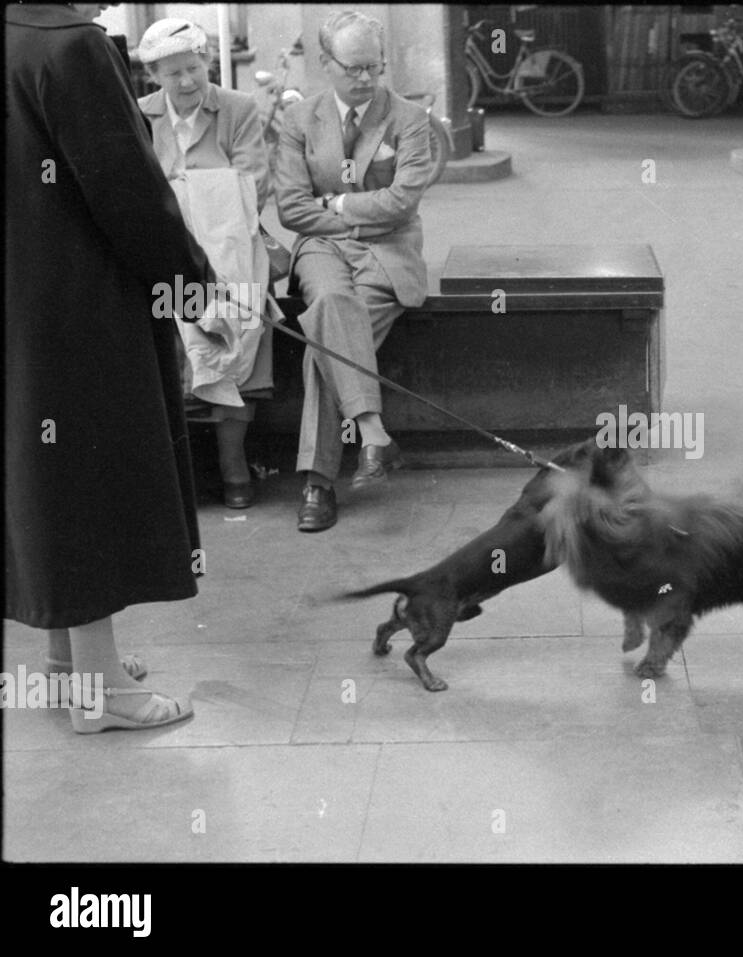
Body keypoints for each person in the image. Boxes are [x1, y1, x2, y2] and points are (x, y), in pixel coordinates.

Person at [5, 3, 216, 731]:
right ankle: (104, 696)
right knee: (90, 484)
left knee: (48, 478)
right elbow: (128, 189)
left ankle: (72, 664)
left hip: (20, 303)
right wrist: (194, 282)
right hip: (80, 305)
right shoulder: (72, 49)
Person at [274, 9, 435, 532]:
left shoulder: (410, 119)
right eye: (354, 68)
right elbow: (291, 209)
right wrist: (353, 215)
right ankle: (373, 432)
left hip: (388, 254)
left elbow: (403, 201)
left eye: (375, 67)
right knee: (333, 305)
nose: (366, 78)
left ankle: (318, 485)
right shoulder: (298, 120)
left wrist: (339, 207)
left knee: (327, 329)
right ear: (326, 64)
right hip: (322, 249)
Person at [137, 17, 276, 510]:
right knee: (168, 337)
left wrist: (183, 193)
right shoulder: (140, 115)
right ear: (154, 75)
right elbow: (132, 190)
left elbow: (255, 182)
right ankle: (180, 475)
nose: (188, 81)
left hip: (233, 250)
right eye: (173, 73)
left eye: (194, 68)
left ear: (208, 64)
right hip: (167, 256)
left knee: (239, 330)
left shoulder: (237, 109)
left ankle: (234, 466)